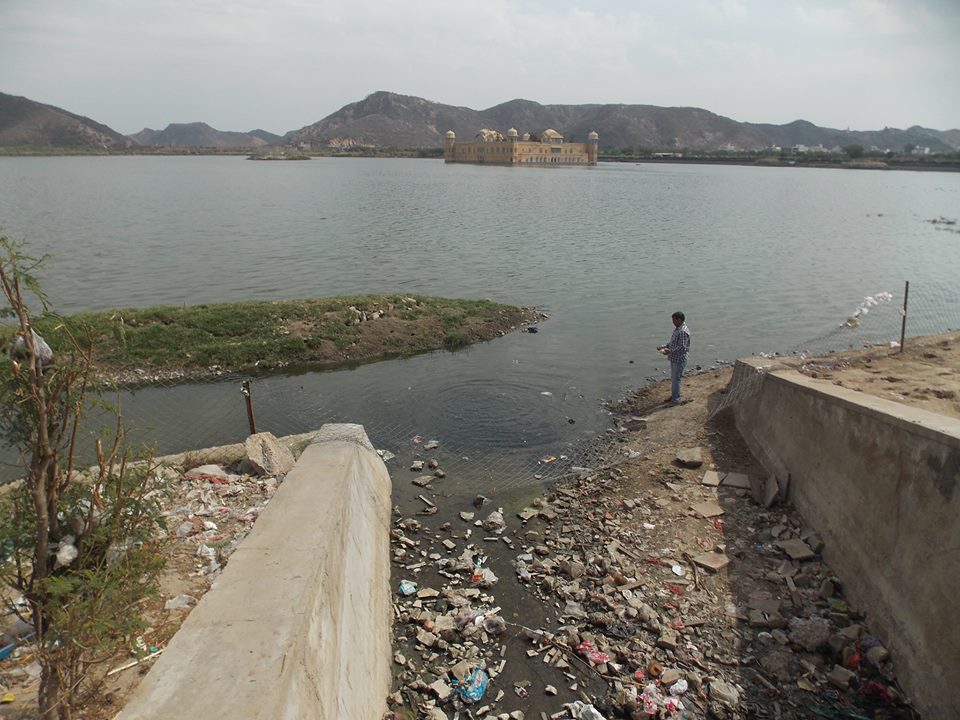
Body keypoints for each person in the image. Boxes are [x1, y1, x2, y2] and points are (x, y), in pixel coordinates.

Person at [657, 311, 690, 405]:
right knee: (674, 378)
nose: (673, 322)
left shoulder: (682, 331)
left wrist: (669, 351)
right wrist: (665, 346)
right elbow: (674, 342)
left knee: (676, 379)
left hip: (679, 359)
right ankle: (675, 395)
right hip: (674, 358)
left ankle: (676, 400)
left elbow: (682, 347)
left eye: (674, 320)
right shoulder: (678, 329)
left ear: (678, 319)